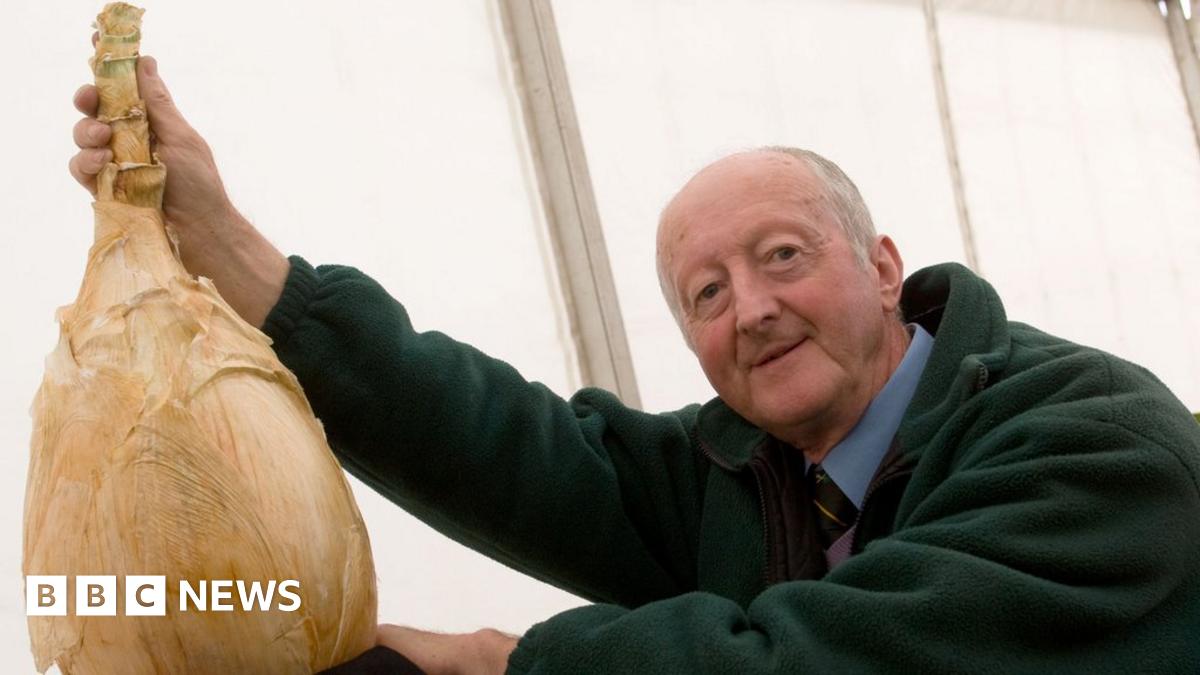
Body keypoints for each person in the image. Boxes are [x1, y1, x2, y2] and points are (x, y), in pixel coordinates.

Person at [70, 56, 1200, 674]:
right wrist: (231, 252)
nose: (751, 310)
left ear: (884, 265)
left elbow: (831, 656)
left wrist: (507, 665)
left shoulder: (1092, 443)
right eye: (706, 294)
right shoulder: (745, 472)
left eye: (783, 258)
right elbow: (510, 449)